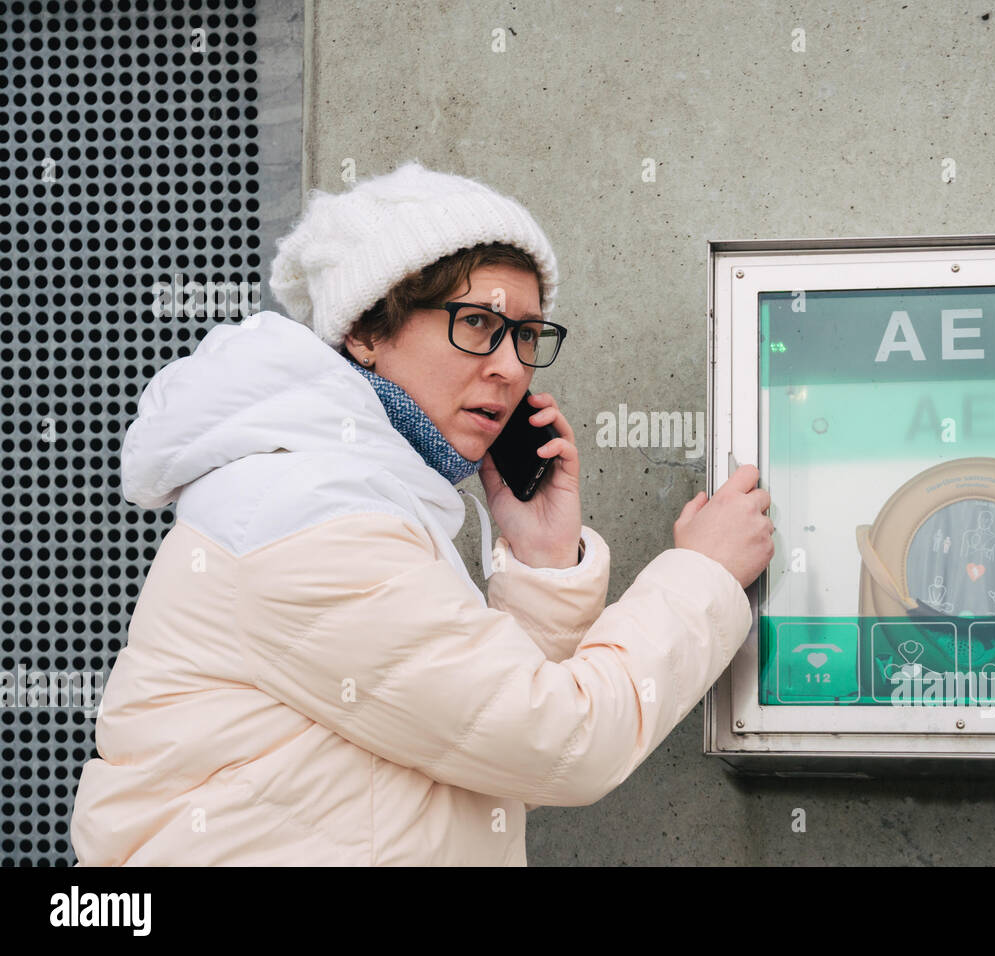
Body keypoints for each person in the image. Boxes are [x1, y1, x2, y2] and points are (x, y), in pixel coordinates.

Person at [68, 161, 774, 865]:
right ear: (366, 332)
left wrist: (542, 562)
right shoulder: (306, 514)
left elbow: (486, 756)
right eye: (476, 323)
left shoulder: (364, 500)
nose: (508, 367)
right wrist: (702, 575)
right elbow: (565, 742)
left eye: (526, 335)